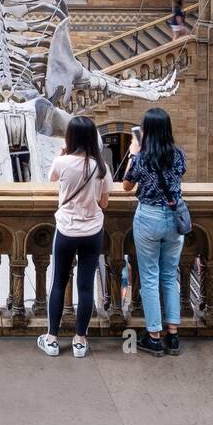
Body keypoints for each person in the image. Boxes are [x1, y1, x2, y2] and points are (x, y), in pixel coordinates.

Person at [38, 114, 114, 359]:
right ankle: (80, 341)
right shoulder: (102, 167)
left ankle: (51, 338)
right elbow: (104, 203)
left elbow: (51, 180)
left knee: (58, 283)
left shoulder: (62, 163)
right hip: (92, 232)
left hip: (66, 230)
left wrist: (62, 154)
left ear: (70, 137)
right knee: (85, 286)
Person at [123, 107, 187, 357]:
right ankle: (173, 336)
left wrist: (133, 153)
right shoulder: (178, 155)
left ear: (146, 131)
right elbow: (178, 175)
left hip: (149, 217)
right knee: (170, 276)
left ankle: (153, 336)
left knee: (149, 277)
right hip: (174, 218)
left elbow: (127, 186)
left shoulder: (142, 158)